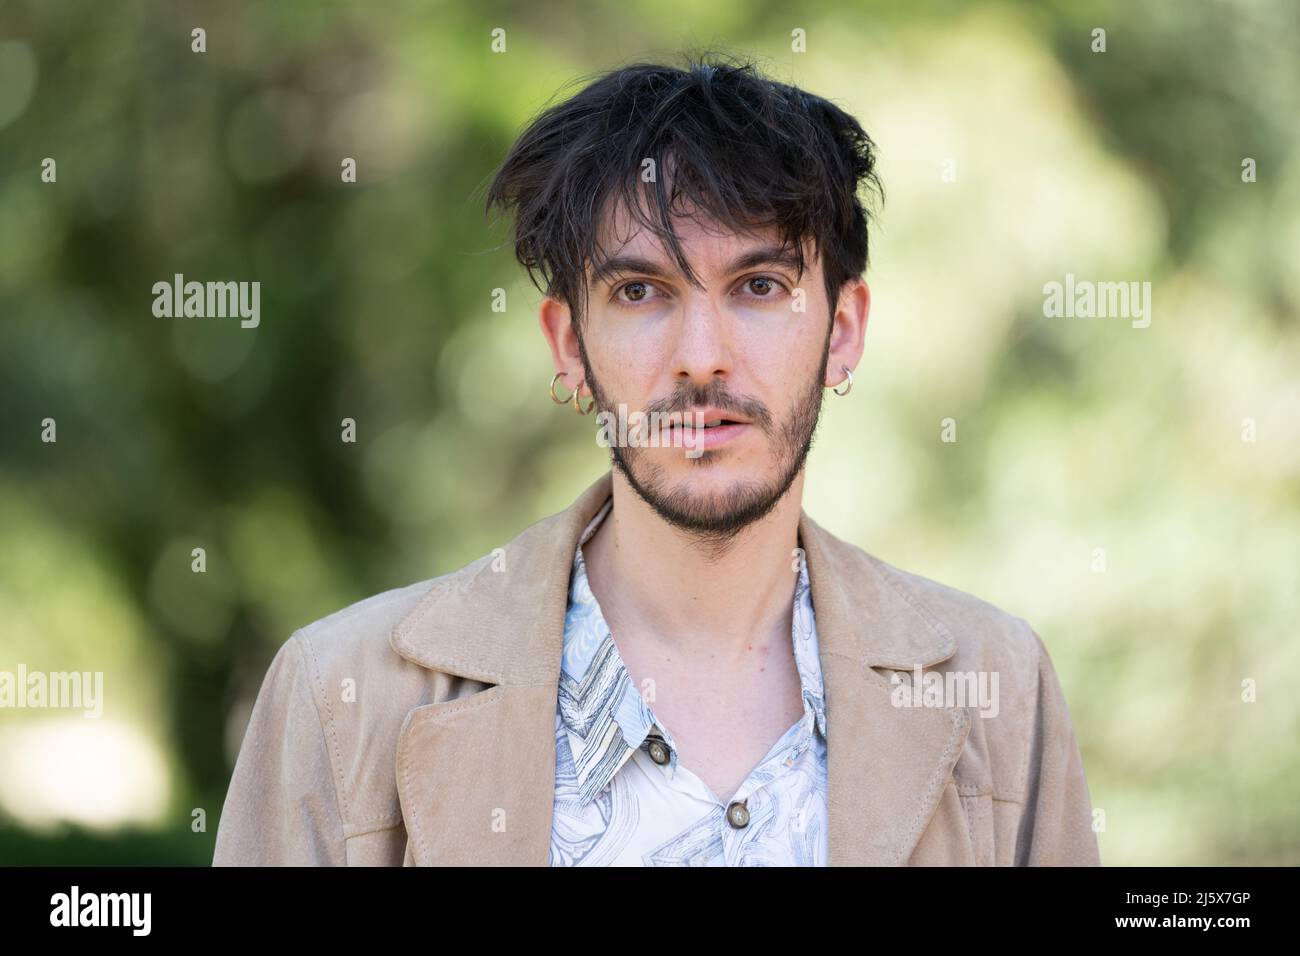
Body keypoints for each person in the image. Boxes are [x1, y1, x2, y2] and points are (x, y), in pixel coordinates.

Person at [213, 55, 1100, 866]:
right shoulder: (341, 698)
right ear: (568, 345)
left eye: (760, 287)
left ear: (844, 332)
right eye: (641, 292)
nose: (702, 356)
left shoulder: (998, 690)